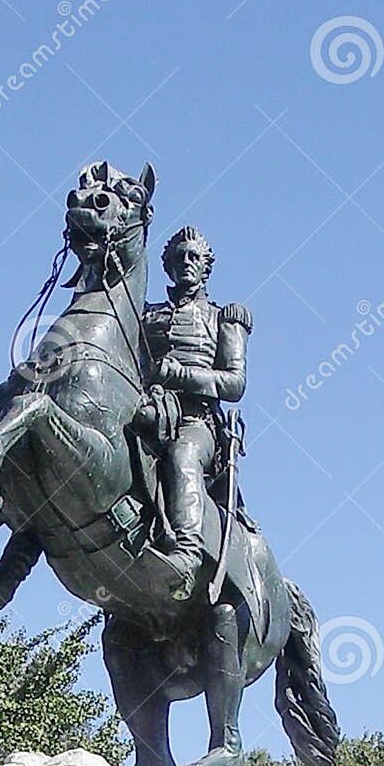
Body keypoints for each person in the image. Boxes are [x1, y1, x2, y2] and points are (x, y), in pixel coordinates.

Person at [138, 227, 252, 600]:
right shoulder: (147, 315)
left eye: (194, 257)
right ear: (167, 267)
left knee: (182, 455)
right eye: (178, 257)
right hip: (148, 410)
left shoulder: (224, 318)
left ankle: (186, 555)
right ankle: (14, 566)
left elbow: (234, 384)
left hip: (195, 421)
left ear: (206, 268)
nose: (186, 262)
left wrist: (180, 374)